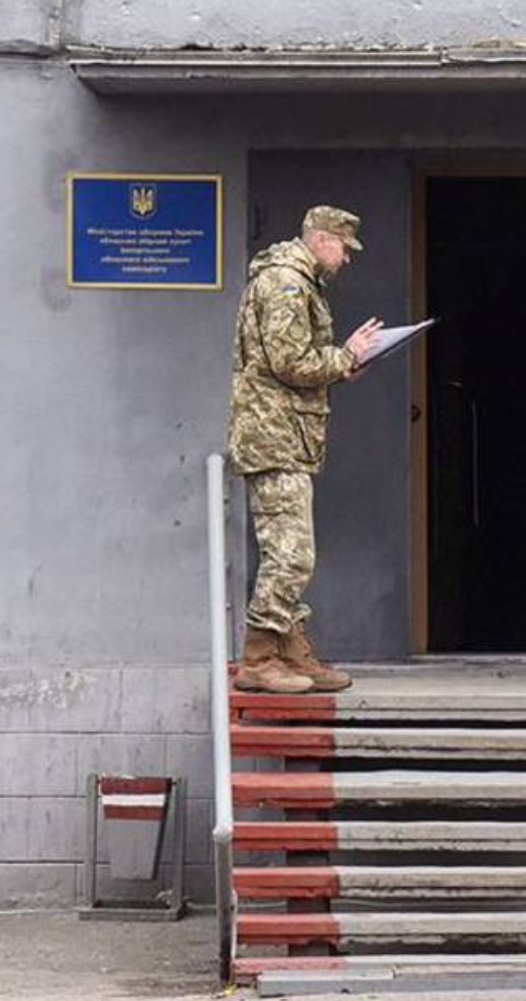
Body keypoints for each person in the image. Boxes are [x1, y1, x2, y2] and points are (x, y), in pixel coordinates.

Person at [226, 205, 382, 695]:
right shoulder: (288, 284)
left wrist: (341, 364)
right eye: (342, 247)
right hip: (274, 437)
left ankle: (291, 651)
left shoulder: (295, 281)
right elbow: (288, 361)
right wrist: (346, 355)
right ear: (320, 239)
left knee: (289, 550)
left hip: (284, 434)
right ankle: (258, 658)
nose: (346, 259)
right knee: (292, 555)